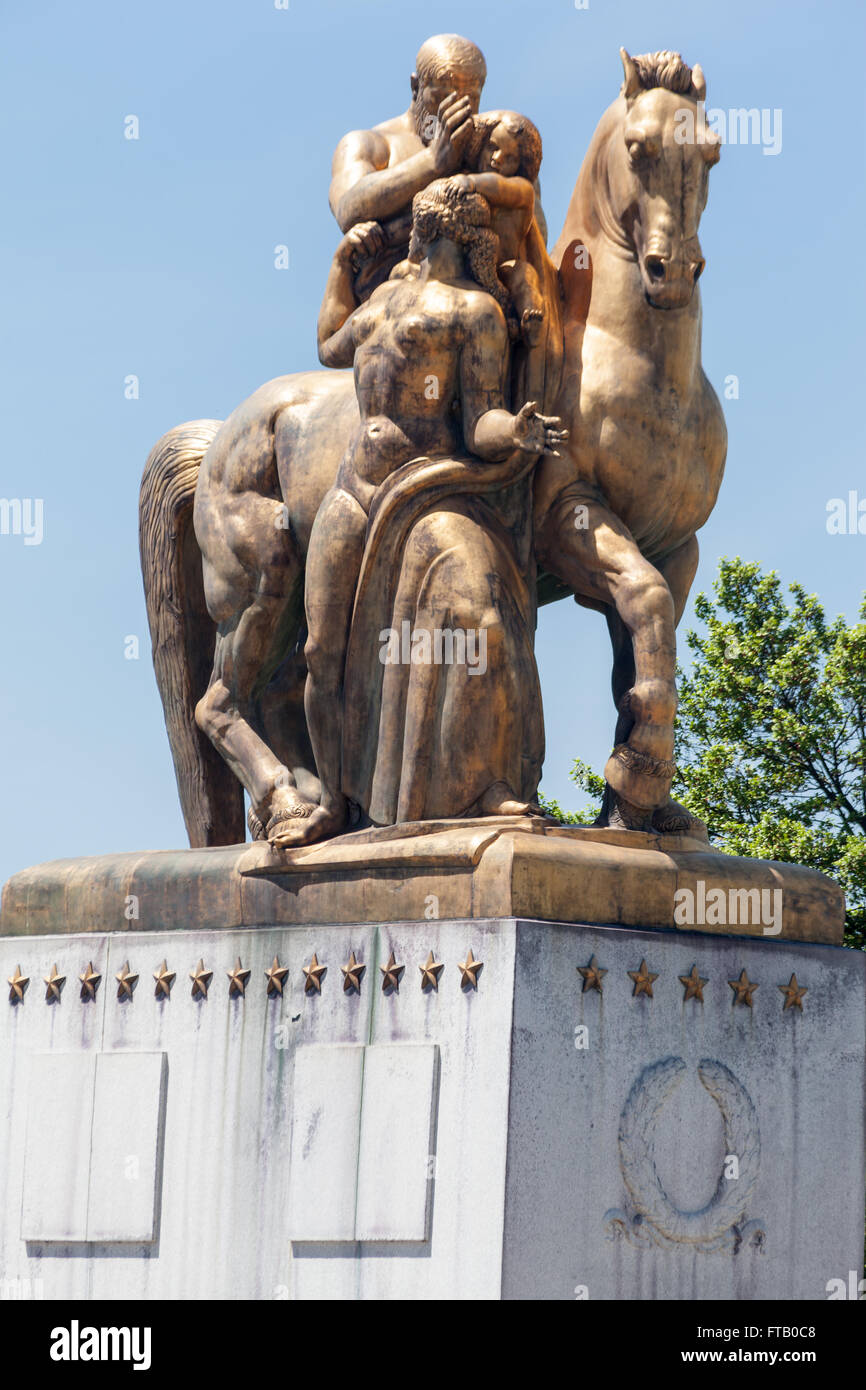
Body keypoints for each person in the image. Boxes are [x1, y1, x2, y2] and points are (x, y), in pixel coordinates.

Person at [275, 179, 566, 847]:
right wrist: (338, 270)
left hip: (427, 483)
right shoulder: (378, 304)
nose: (414, 226)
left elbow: (482, 415)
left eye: (424, 220)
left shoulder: (475, 312)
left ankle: (483, 786)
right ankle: (333, 799)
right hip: (355, 486)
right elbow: (329, 346)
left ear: (446, 232)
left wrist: (514, 432)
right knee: (322, 651)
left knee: (475, 624)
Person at [327, 34, 487, 300]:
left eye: (469, 100)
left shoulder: (489, 150)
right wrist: (433, 161)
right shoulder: (369, 144)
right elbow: (349, 207)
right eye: (441, 97)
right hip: (386, 302)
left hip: (471, 298)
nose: (453, 112)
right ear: (416, 87)